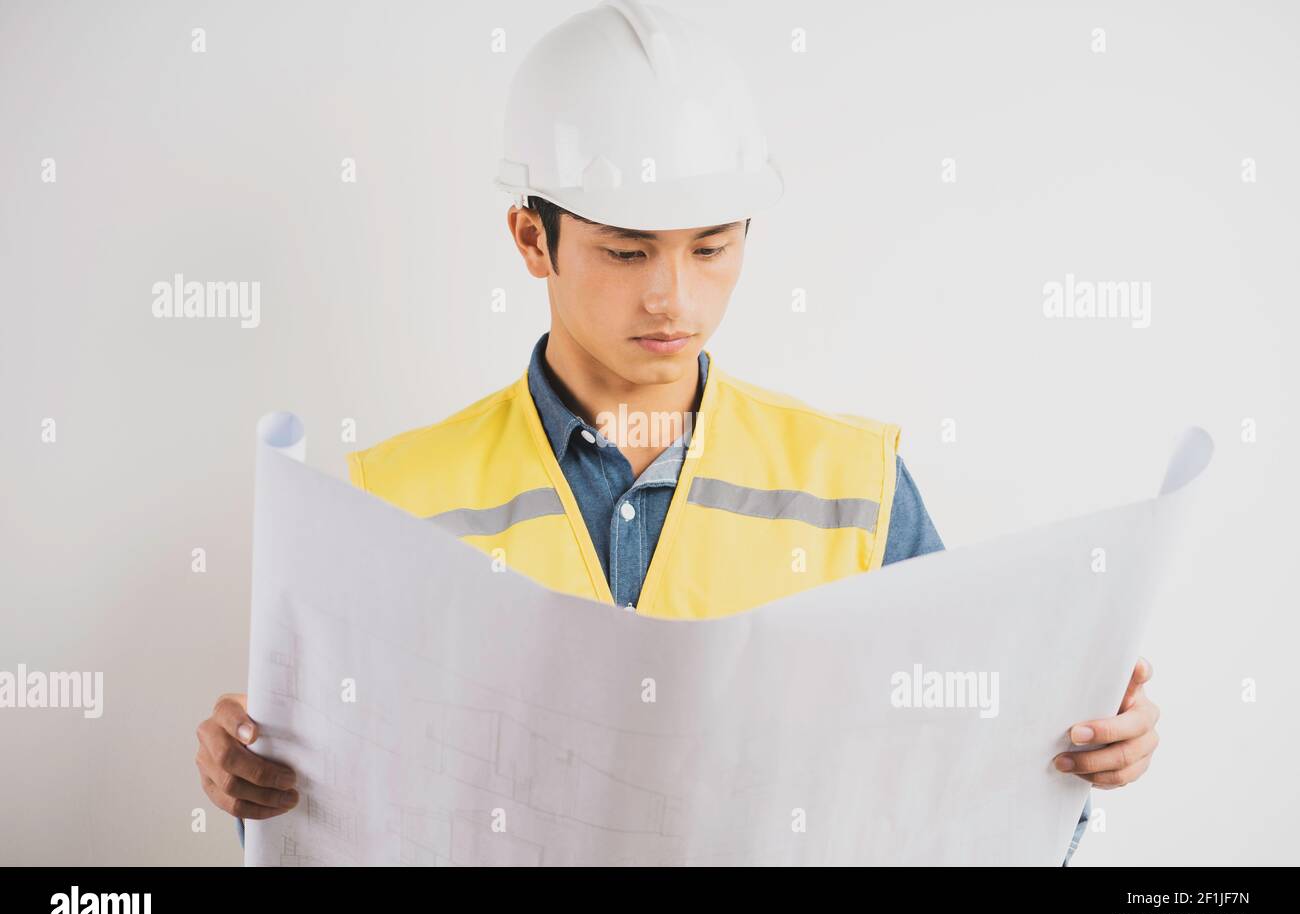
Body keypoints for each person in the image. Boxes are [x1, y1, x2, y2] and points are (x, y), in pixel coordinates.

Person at [196, 0, 1160, 865]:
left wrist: (1073, 760)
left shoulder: (855, 486)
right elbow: (342, 814)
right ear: (534, 240)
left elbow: (946, 779)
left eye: (712, 247)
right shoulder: (390, 499)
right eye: (625, 250)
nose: (674, 298)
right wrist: (256, 797)